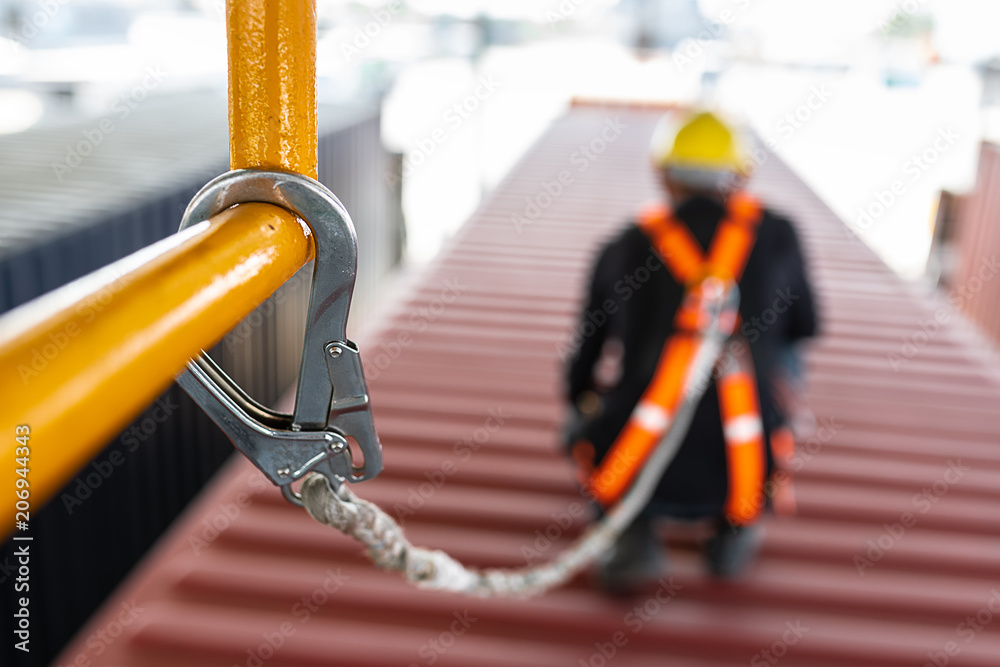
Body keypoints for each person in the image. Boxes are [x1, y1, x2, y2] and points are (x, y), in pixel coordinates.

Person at [564, 110, 818, 592]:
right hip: (744, 465)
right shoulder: (780, 235)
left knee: (595, 415)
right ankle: (734, 531)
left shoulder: (624, 245)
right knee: (782, 362)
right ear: (742, 175)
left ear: (661, 173)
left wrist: (579, 410)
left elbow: (583, 359)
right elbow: (807, 326)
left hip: (634, 462)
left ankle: (633, 534)